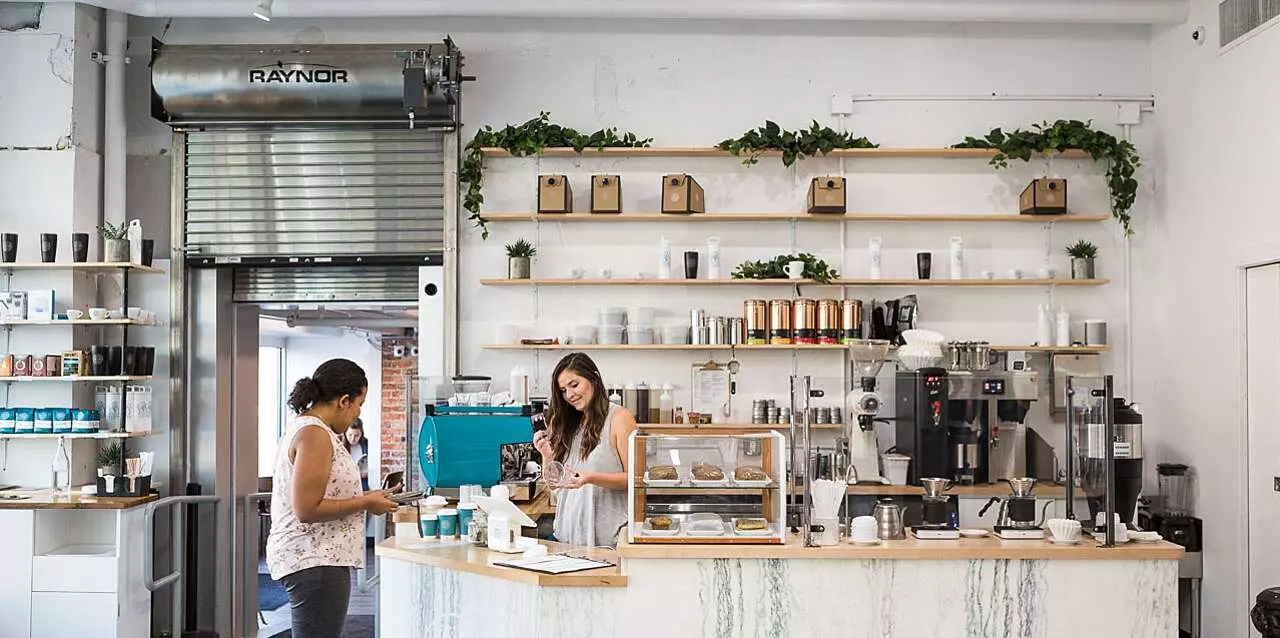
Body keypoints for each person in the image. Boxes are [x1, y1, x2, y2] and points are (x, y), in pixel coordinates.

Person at [266, 358, 400, 638]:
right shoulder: (315, 435)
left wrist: (366, 496)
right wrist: (364, 503)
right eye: (359, 405)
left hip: (317, 559)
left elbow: (321, 494)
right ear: (343, 401)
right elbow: (306, 508)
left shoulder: (311, 428)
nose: (357, 414)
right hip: (315, 561)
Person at [532, 352, 638, 547]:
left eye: (574, 385)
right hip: (566, 537)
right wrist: (547, 456)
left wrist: (589, 478)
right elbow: (555, 486)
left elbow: (634, 480)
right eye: (563, 390)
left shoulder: (620, 418)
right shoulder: (564, 422)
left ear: (594, 378)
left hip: (607, 541)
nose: (569, 395)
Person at [344, 418, 370, 491]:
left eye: (356, 435)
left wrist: (368, 472)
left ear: (361, 434)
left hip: (362, 483)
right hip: (345, 483)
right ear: (345, 432)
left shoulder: (366, 445)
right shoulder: (339, 445)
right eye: (350, 435)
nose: (352, 439)